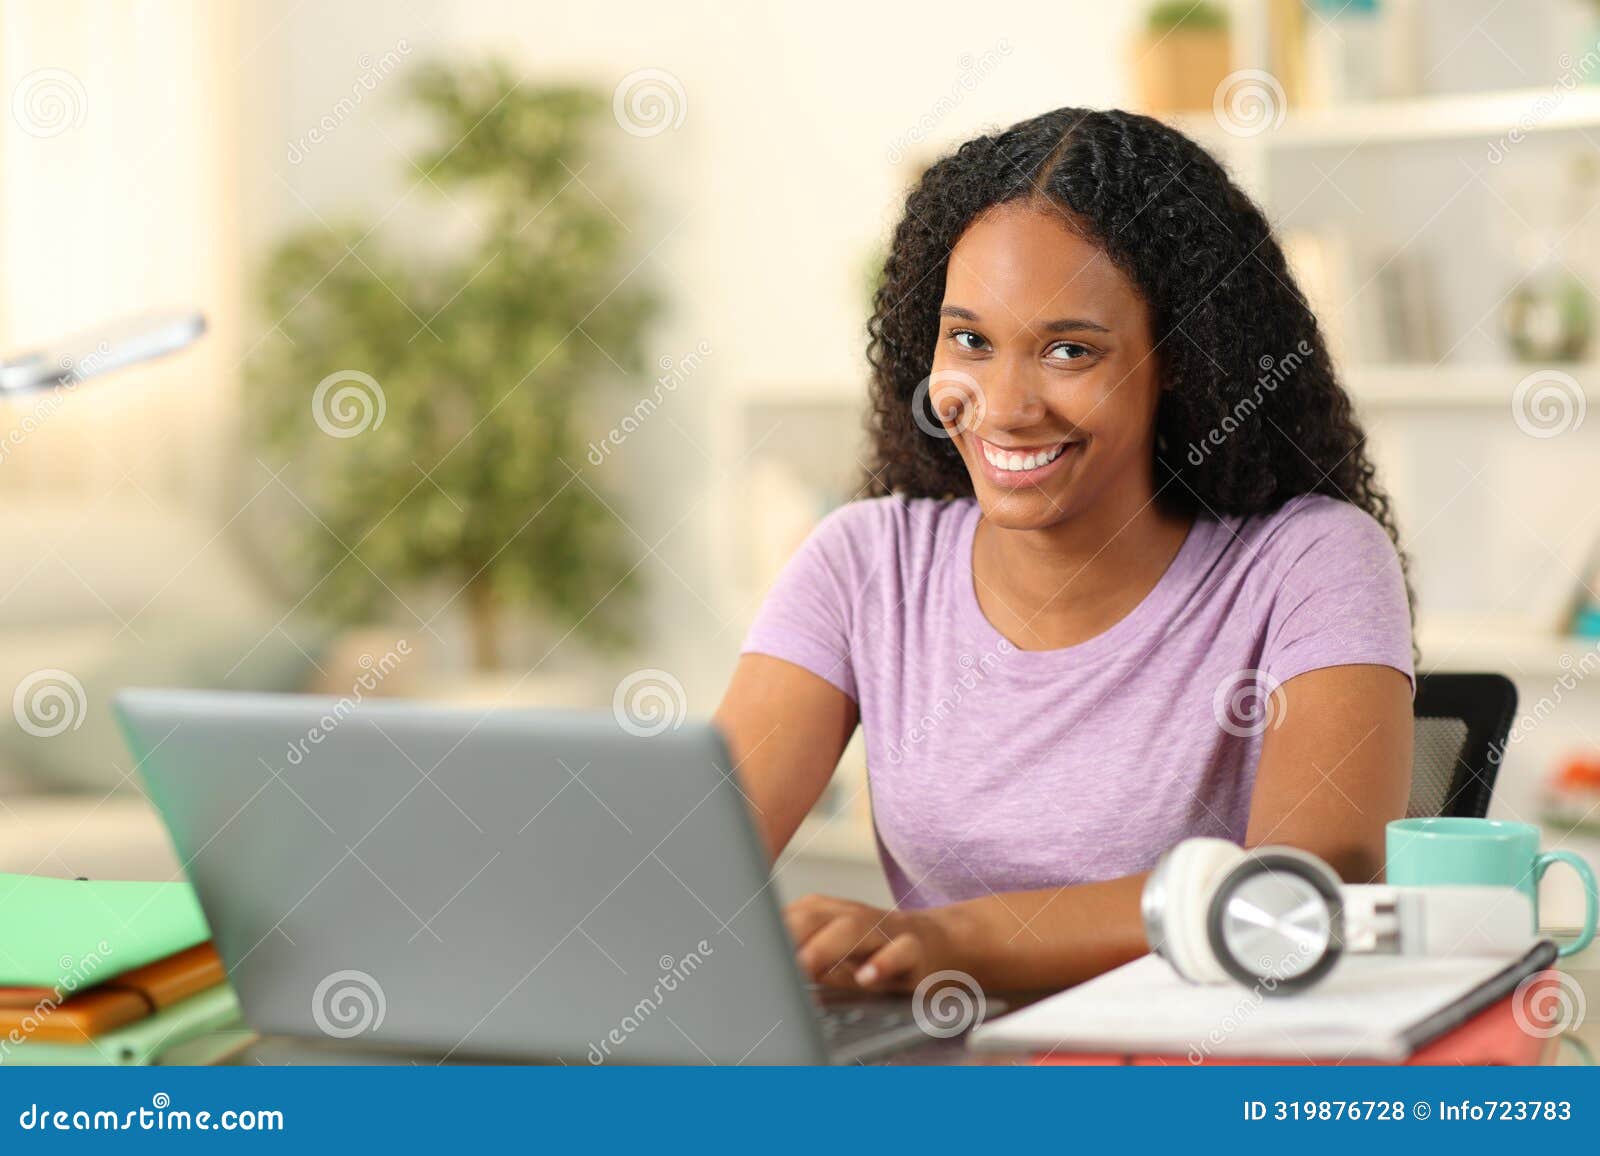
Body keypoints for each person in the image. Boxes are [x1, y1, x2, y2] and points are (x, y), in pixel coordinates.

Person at [714, 107, 1414, 994]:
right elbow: (688, 861)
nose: (1005, 405)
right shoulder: (866, 562)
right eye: (970, 340)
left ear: (1184, 363)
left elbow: (1299, 887)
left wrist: (947, 941)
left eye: (1069, 351)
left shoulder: (1307, 563)